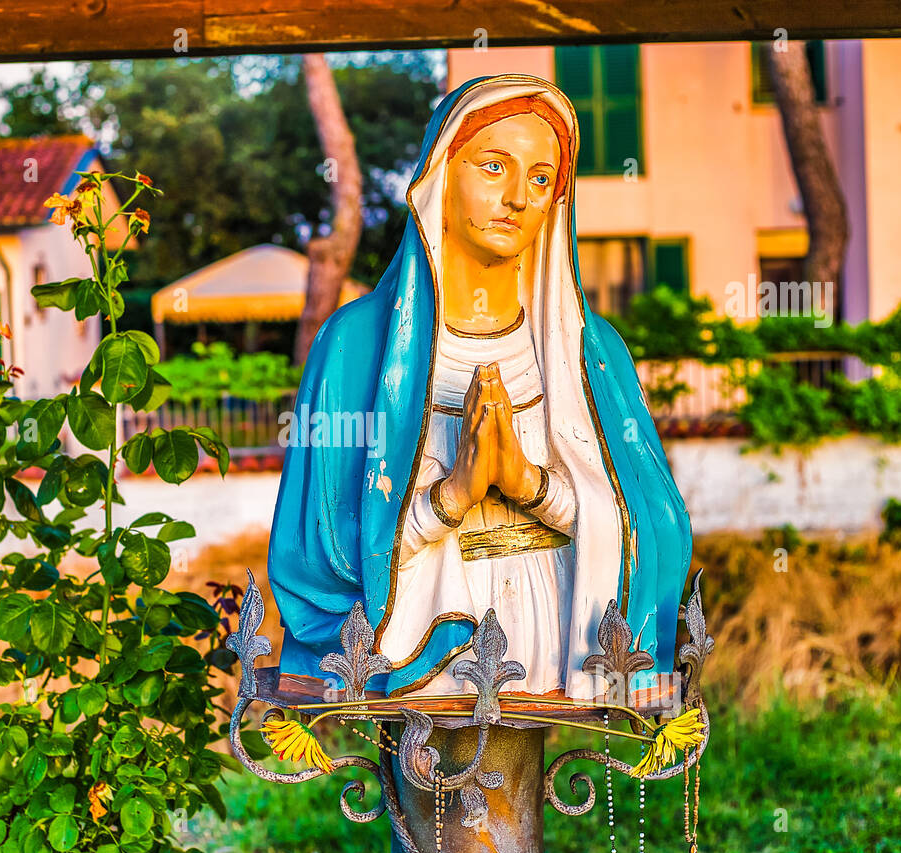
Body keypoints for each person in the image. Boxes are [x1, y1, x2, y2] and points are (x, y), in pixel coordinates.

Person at [269, 75, 691, 700]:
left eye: (542, 179)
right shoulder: (356, 347)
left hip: (554, 643)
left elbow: (656, 526)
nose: (519, 197)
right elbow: (319, 549)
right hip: (422, 648)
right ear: (440, 173)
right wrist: (451, 497)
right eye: (494, 167)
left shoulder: (590, 351)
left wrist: (533, 488)